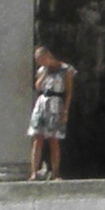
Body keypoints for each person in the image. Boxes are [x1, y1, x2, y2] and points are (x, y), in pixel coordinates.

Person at [26, 46, 74, 180]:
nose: (41, 63)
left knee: (53, 139)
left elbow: (69, 92)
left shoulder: (66, 70)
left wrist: (65, 110)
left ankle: (55, 172)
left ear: (48, 55)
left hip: (56, 103)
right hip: (42, 103)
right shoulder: (43, 70)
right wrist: (44, 74)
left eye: (42, 60)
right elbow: (37, 86)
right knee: (37, 137)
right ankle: (34, 172)